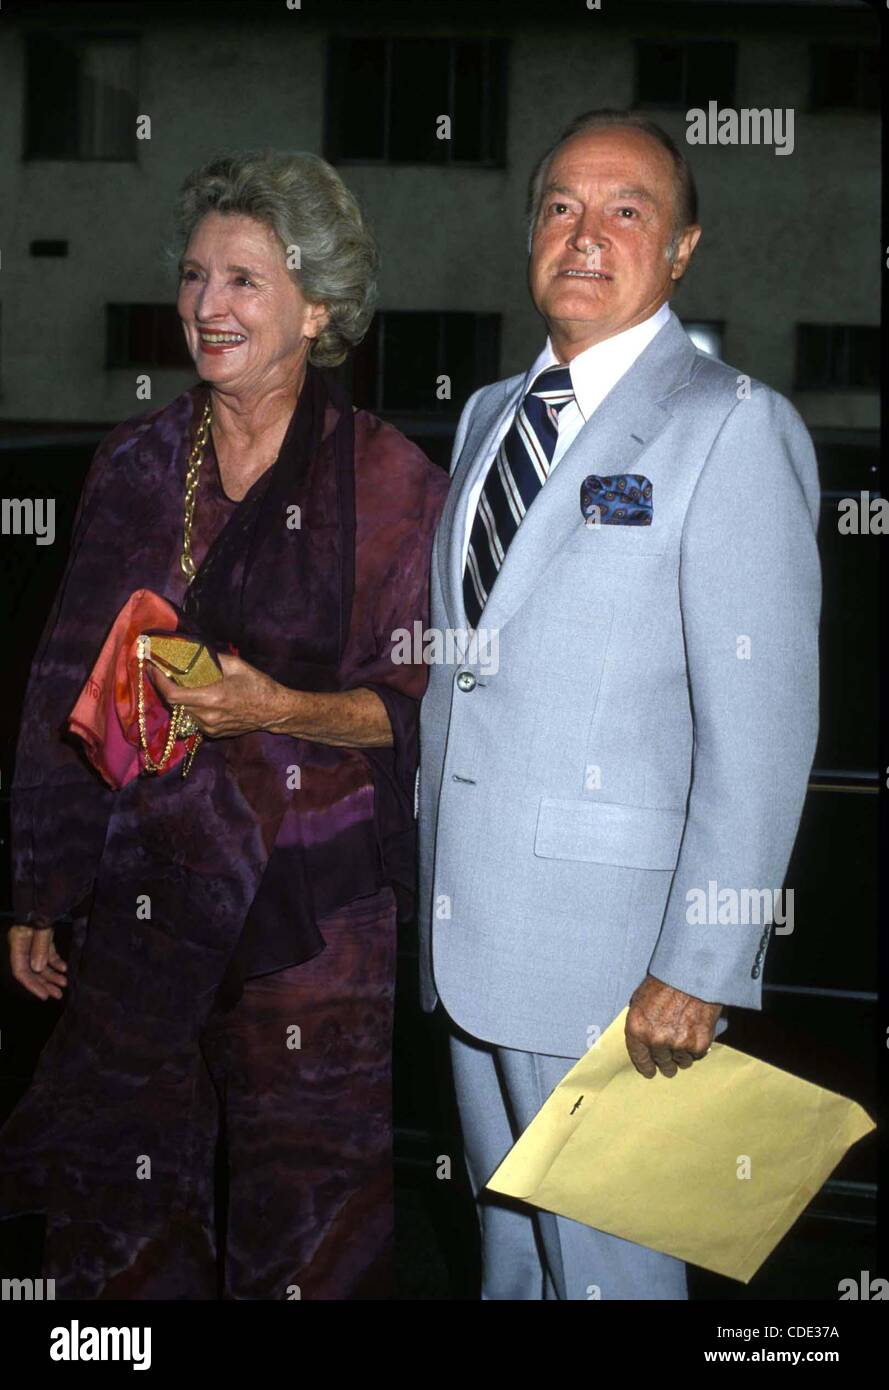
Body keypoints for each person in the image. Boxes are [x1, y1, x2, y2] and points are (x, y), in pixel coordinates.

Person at [0, 149, 448, 1299]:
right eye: (197, 277)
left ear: (322, 306)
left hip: (311, 920)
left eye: (246, 280)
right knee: (123, 1204)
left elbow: (418, 710)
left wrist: (276, 708)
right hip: (139, 897)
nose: (208, 306)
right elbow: (62, 681)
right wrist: (39, 887)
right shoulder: (140, 462)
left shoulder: (392, 482)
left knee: (308, 1214)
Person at [417, 109, 821, 1300]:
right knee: (514, 1266)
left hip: (622, 968)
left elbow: (765, 730)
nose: (584, 234)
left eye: (626, 210)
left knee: (614, 1279)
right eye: (558, 207)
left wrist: (701, 961)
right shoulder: (489, 415)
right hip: (471, 936)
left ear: (683, 247)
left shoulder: (731, 425)